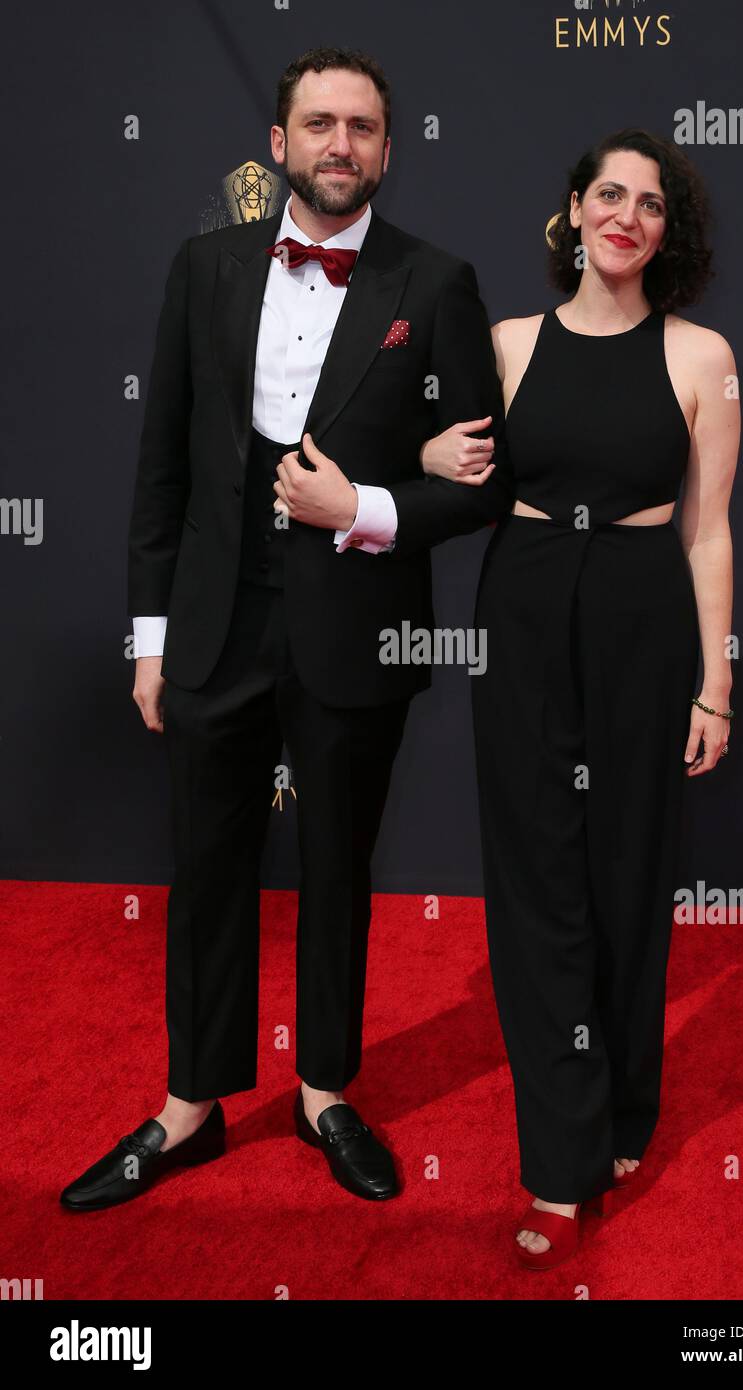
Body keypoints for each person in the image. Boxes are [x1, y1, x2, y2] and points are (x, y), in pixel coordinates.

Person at [59, 46, 513, 1212]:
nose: (340, 145)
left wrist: (357, 509)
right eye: (319, 123)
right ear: (279, 145)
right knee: (204, 867)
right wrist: (147, 637)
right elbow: (160, 465)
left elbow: (477, 479)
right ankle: (189, 1106)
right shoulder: (204, 267)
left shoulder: (435, 282)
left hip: (353, 618)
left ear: (387, 150)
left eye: (362, 127)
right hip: (212, 619)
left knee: (334, 869)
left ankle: (322, 1090)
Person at [420, 129, 739, 1269]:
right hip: (526, 605)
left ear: (667, 232)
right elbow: (457, 475)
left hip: (644, 615)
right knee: (535, 874)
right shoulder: (507, 343)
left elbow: (706, 530)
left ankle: (620, 1111)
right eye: (609, 194)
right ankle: (557, 1162)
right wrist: (422, 461)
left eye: (650, 204)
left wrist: (714, 680)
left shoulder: (700, 355)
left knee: (627, 872)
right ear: (572, 210)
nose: (626, 216)